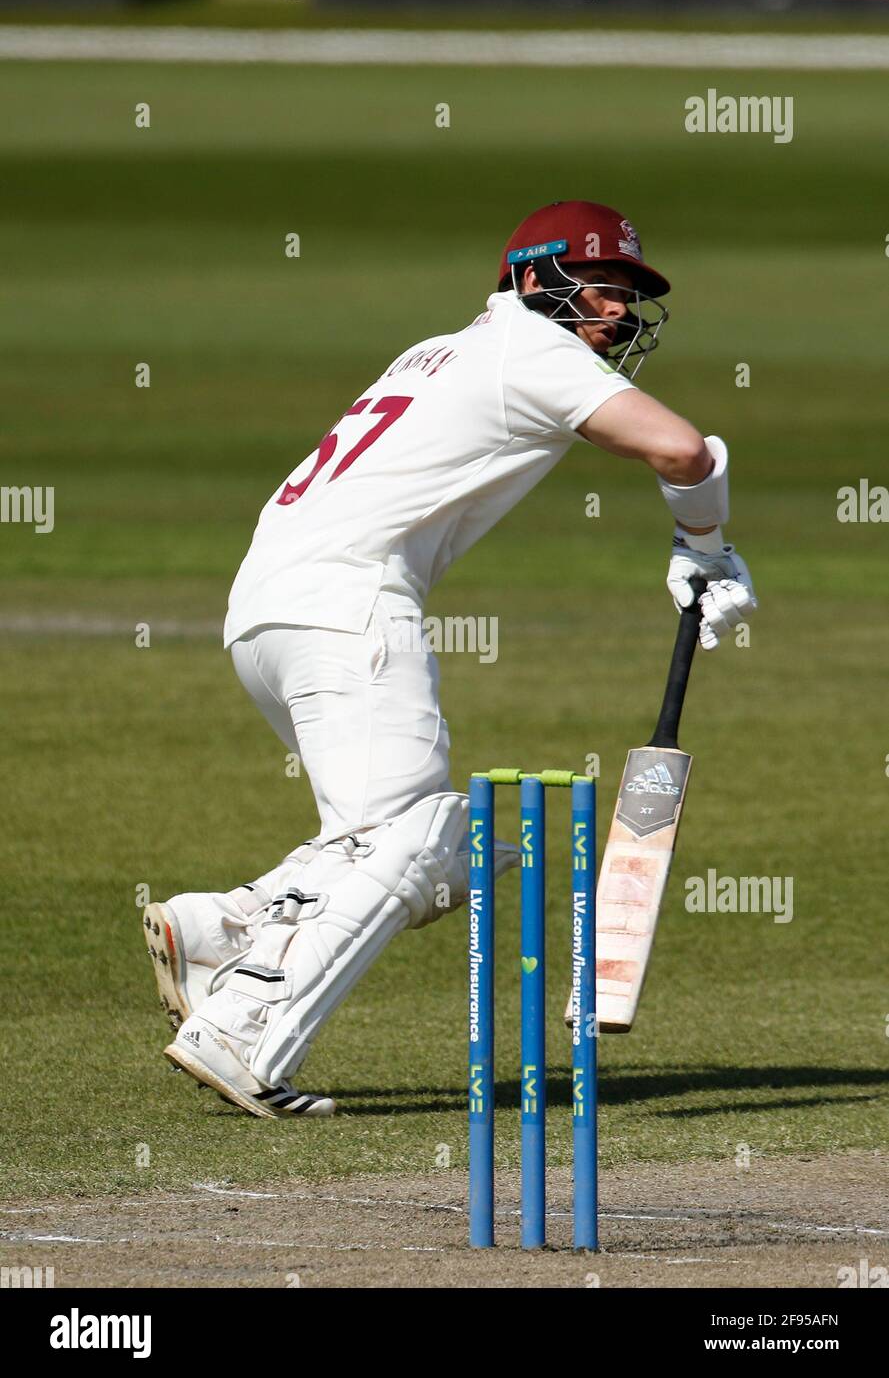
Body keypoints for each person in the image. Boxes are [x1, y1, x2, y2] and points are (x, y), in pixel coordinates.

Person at [144, 200, 756, 1118]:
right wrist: (704, 548)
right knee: (422, 836)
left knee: (388, 837)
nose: (617, 309)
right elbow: (681, 450)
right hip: (350, 607)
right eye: (599, 284)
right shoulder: (534, 348)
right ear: (530, 277)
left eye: (626, 292)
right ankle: (243, 1030)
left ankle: (220, 927)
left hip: (264, 610)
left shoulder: (436, 350)